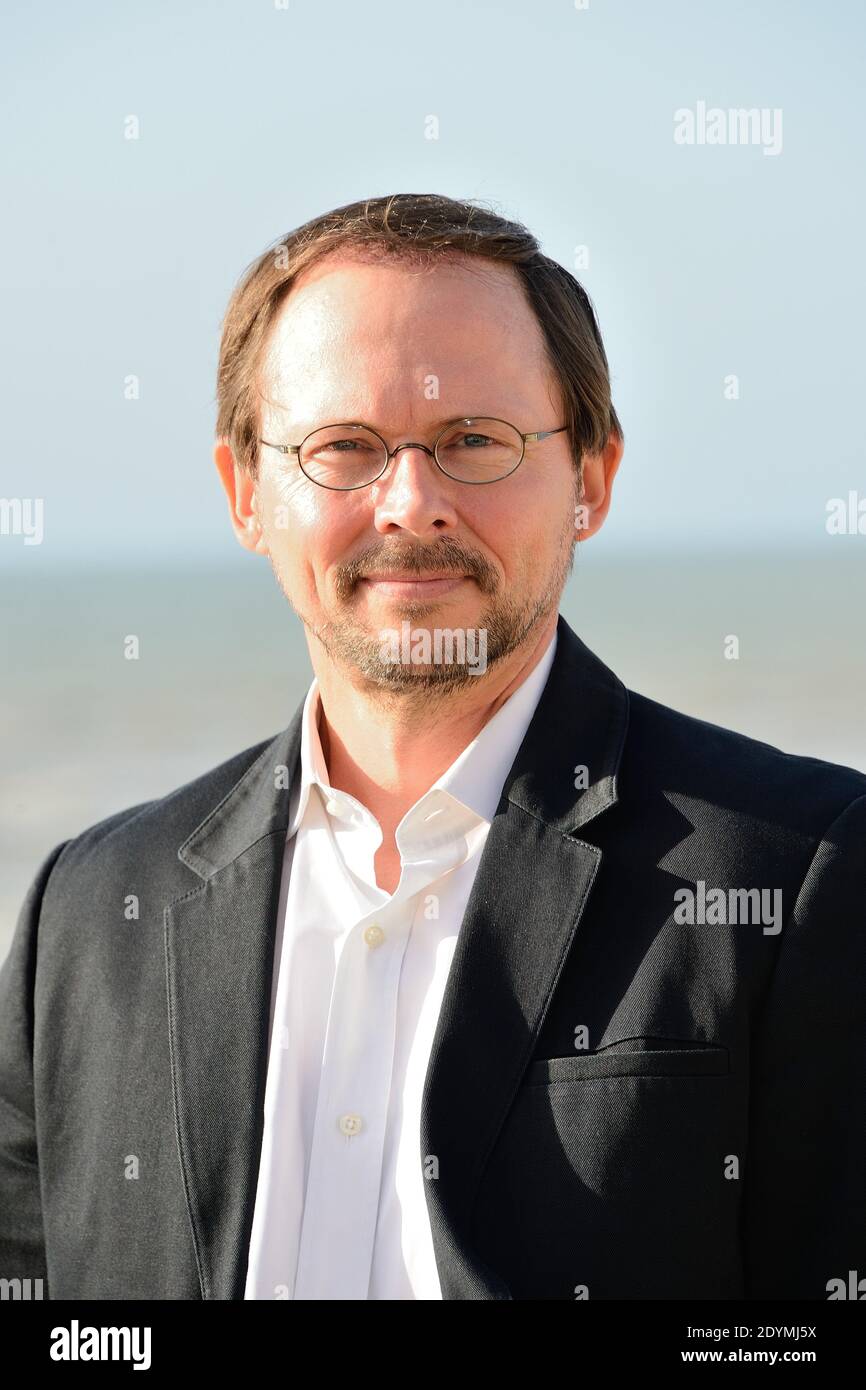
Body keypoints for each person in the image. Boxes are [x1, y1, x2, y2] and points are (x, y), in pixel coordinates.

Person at [1, 193, 863, 1301]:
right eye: (343, 448)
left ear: (589, 478)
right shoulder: (88, 910)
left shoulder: (798, 870)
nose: (409, 504)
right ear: (244, 493)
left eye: (472, 441)